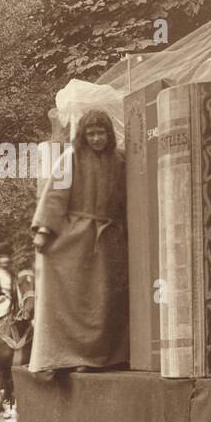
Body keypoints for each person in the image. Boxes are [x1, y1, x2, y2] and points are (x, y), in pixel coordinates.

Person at [28, 110, 128, 373]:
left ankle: (106, 357)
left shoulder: (120, 160)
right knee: (73, 298)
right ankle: (70, 357)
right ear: (83, 136)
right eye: (91, 134)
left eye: (102, 133)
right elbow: (55, 196)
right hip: (74, 238)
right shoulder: (70, 159)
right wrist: (44, 230)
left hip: (110, 239)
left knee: (105, 300)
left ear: (109, 134)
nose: (97, 139)